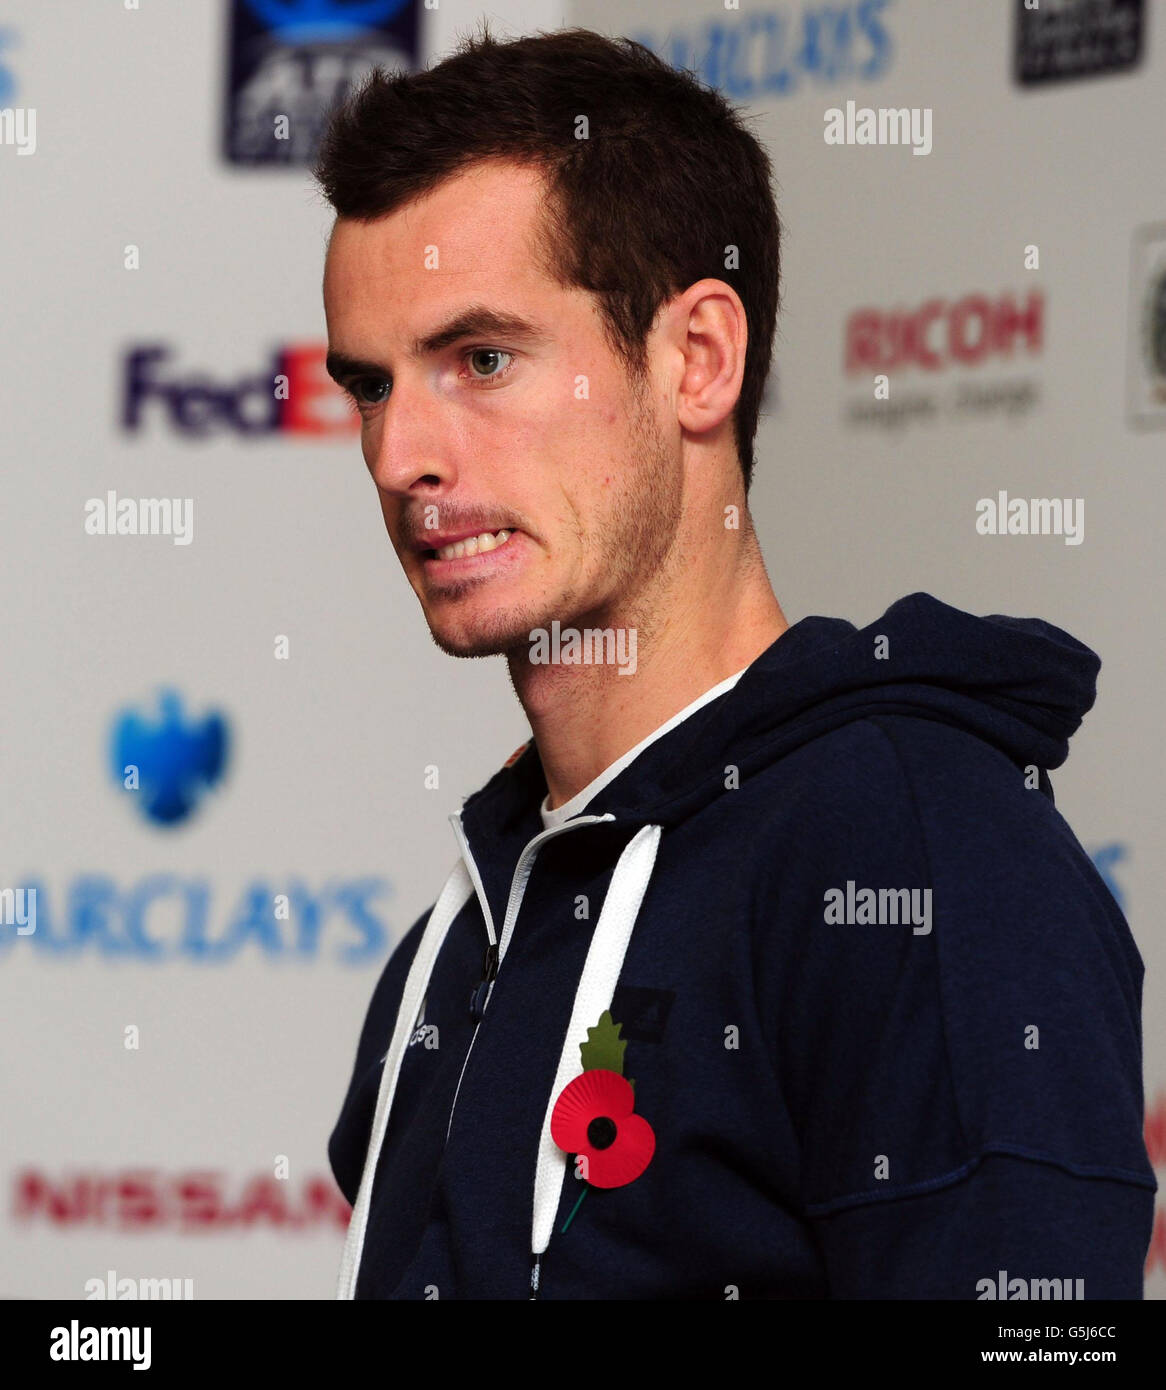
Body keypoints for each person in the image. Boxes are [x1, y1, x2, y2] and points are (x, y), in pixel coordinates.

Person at [315, 26, 1155, 1299]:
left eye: (480, 360)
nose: (398, 458)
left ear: (695, 360)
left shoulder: (914, 854)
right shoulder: (467, 927)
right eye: (371, 386)